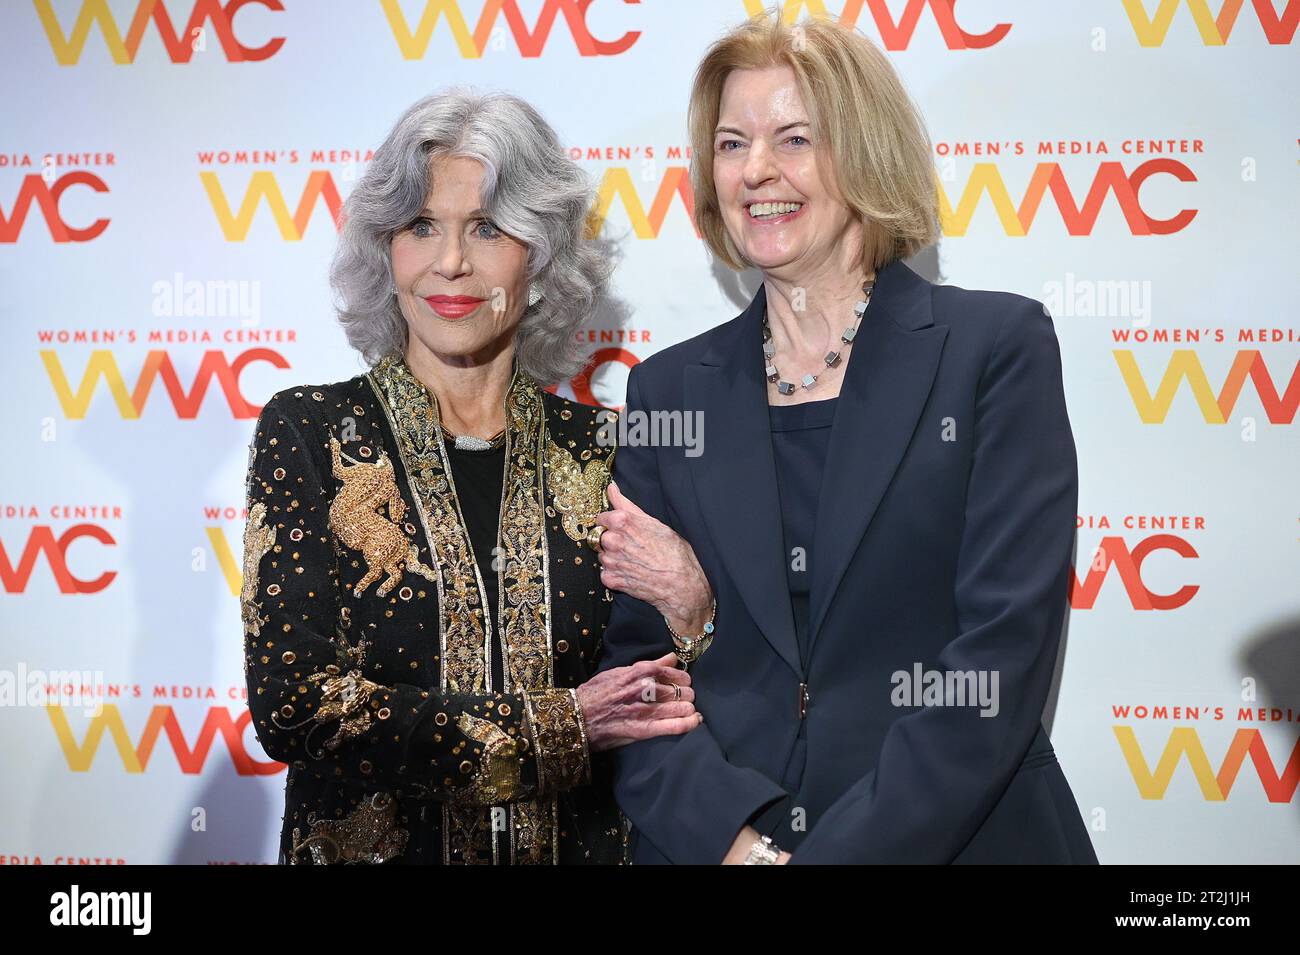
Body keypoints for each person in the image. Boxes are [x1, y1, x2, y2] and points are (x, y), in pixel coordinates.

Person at [592, 13, 1099, 864]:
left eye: (795, 138)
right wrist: (737, 845)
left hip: (958, 842)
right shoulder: (669, 389)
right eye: (731, 143)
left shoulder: (992, 350)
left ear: (864, 152)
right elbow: (637, 685)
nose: (757, 170)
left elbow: (1000, 658)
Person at [240, 89, 701, 865]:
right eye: (421, 226)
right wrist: (558, 724)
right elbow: (296, 702)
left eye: (487, 227)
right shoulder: (311, 432)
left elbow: (666, 694)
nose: (450, 261)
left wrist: (698, 611)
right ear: (387, 253)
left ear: (542, 256)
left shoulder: (609, 451)